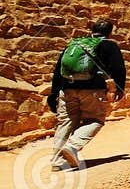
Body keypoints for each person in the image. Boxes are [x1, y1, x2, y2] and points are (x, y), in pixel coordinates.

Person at [47, 19, 125, 172]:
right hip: (93, 90)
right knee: (95, 120)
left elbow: (58, 70)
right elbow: (118, 68)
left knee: (66, 122)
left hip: (67, 90)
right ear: (109, 32)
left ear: (92, 30)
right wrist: (119, 89)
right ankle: (72, 146)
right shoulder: (109, 45)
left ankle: (57, 162)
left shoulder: (74, 44)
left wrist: (54, 93)